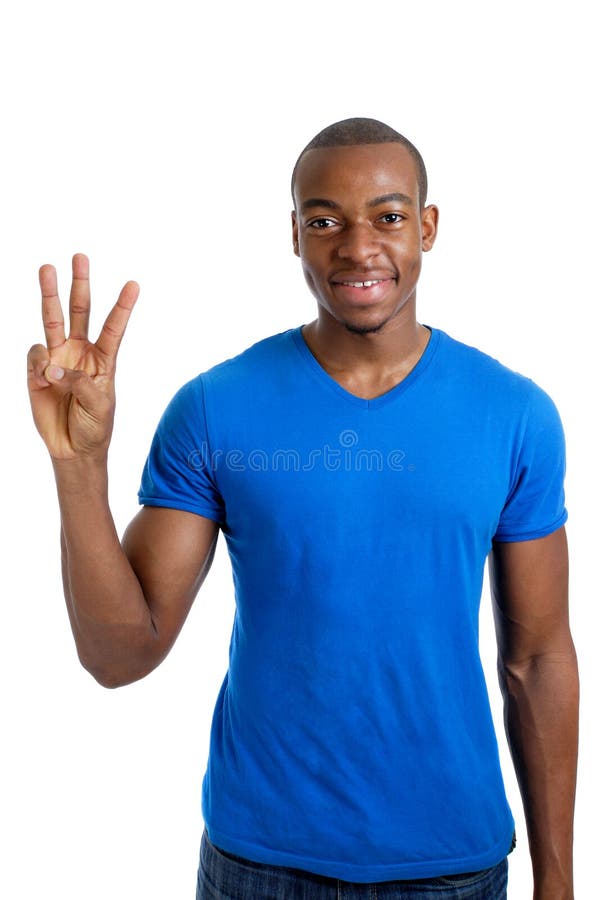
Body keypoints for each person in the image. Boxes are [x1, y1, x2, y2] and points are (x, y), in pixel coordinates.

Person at [27, 118, 578, 900]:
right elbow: (120, 657)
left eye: (388, 217)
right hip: (261, 864)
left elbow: (539, 659)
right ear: (294, 235)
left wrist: (557, 879)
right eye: (325, 221)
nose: (357, 247)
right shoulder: (217, 409)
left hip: (453, 862)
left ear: (427, 227)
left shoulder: (516, 414)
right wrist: (79, 467)